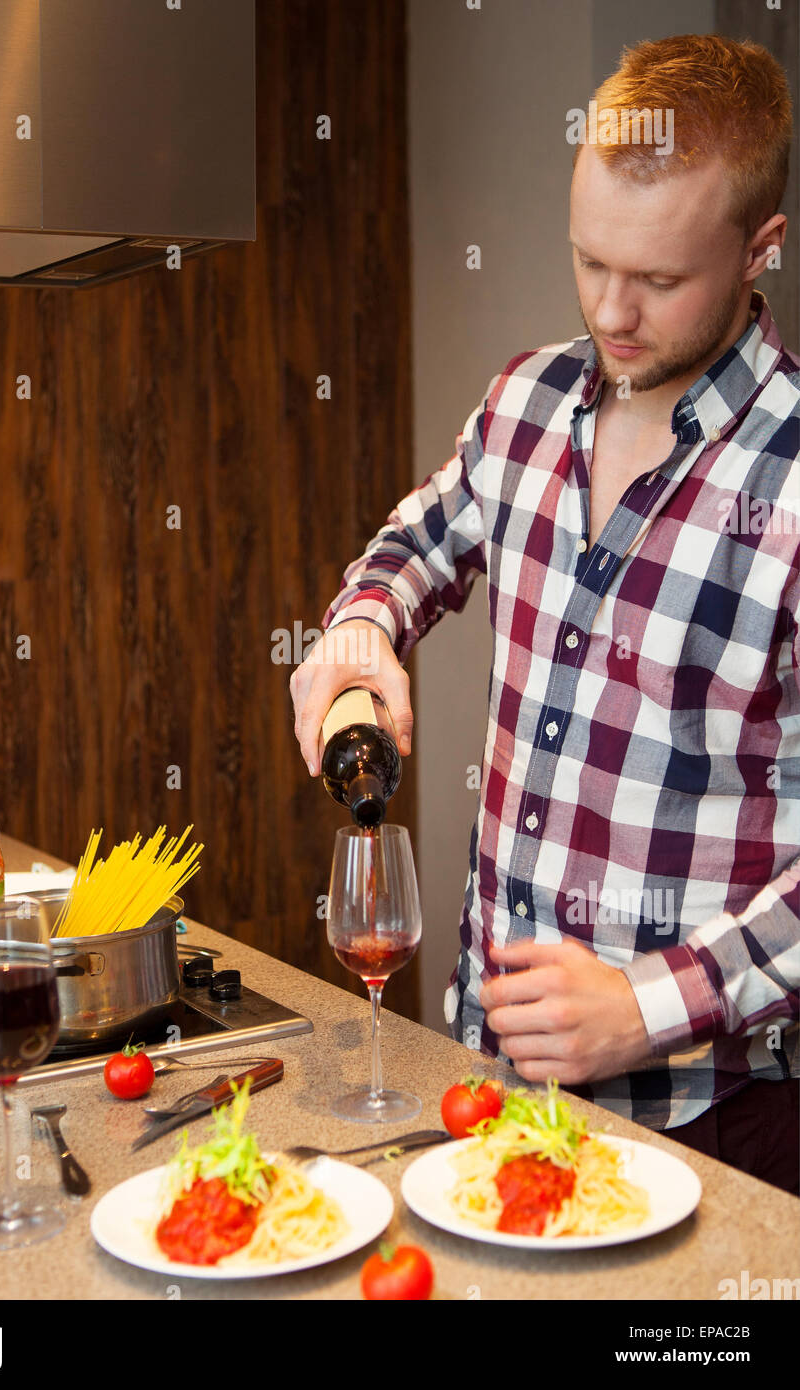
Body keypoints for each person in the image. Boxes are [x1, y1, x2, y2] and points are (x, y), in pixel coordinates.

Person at [289, 34, 799, 1194]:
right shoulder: (525, 402)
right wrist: (360, 633)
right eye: (588, 261)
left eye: (659, 281)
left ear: (760, 247)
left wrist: (646, 1005)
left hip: (713, 1121)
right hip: (495, 1089)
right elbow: (414, 548)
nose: (611, 314)